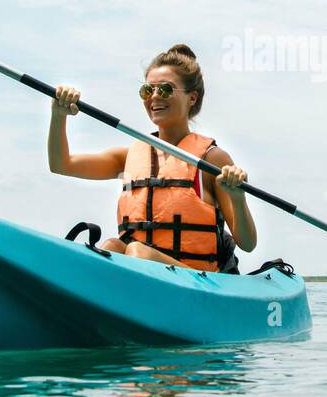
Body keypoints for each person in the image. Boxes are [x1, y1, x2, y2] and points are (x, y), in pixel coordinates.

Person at [47, 44, 255, 272]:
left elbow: (247, 243)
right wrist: (59, 115)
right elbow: (61, 164)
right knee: (112, 247)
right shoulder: (128, 157)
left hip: (197, 282)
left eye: (165, 89)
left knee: (137, 251)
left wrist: (238, 197)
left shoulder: (211, 159)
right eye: (147, 90)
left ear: (192, 98)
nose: (155, 96)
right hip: (142, 273)